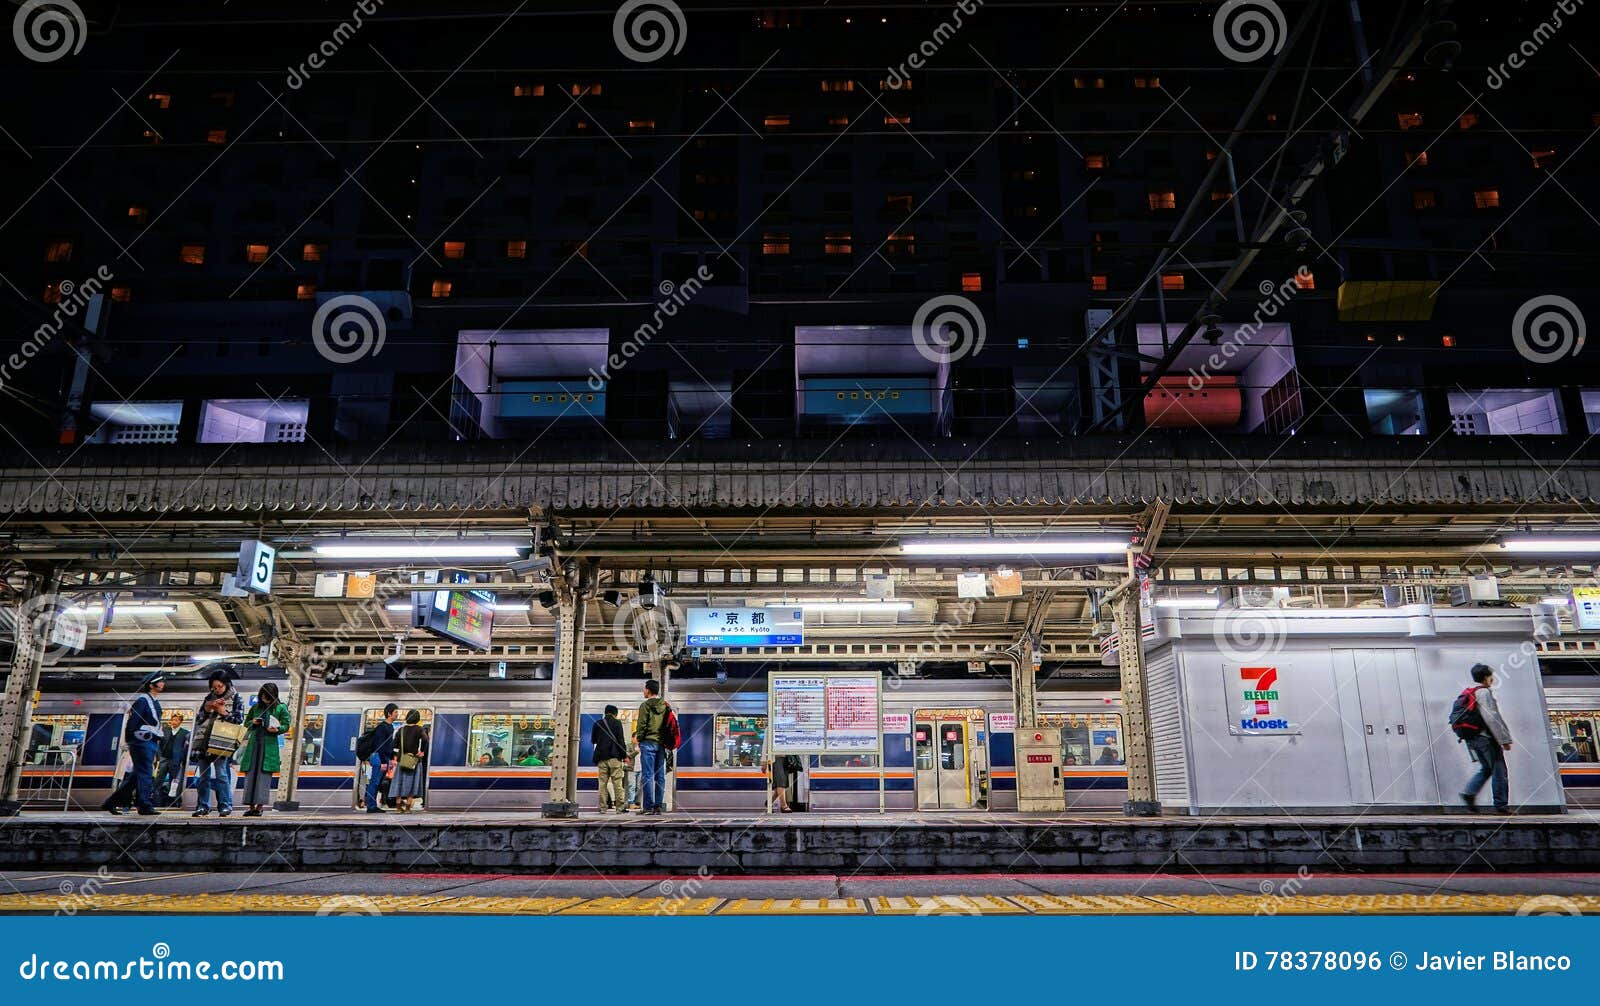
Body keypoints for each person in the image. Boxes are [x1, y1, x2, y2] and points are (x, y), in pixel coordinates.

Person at [105, 672, 166, 816]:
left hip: (150, 741)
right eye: (160, 681)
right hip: (142, 742)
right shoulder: (142, 701)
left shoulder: (154, 702)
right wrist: (131, 740)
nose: (163, 683)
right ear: (151, 685)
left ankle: (112, 802)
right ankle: (144, 805)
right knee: (145, 773)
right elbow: (133, 722)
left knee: (137, 775)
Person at [1458, 663, 1514, 813]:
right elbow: (1492, 717)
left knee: (1487, 769)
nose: (1492, 679)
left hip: (1473, 739)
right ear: (1486, 678)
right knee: (1499, 771)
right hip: (1486, 739)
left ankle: (1469, 793)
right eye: (1491, 676)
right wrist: (1504, 740)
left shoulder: (1471, 693)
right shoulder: (1484, 693)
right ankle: (1501, 805)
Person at [191, 668, 244, 818]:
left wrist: (223, 711)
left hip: (222, 740)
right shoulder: (209, 698)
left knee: (221, 775)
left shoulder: (236, 698)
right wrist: (207, 709)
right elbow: (199, 719)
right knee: (203, 776)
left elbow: (239, 720)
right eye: (214, 687)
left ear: (227, 684)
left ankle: (225, 805)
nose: (217, 690)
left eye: (220, 686)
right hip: (204, 741)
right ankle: (203, 806)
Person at [238, 683, 292, 817]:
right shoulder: (256, 707)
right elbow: (246, 723)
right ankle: (251, 807)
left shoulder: (281, 708)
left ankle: (259, 807)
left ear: (273, 696)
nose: (264, 699)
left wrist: (277, 729)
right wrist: (253, 723)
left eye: (267, 697)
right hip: (254, 746)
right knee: (250, 776)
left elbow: (286, 725)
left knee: (264, 777)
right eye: (262, 696)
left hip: (268, 747)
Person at [633, 679, 669, 815]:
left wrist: (640, 739)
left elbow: (641, 725)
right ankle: (658, 806)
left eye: (644, 688)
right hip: (661, 744)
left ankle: (648, 807)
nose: (643, 691)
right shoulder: (665, 705)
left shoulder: (645, 705)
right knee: (660, 777)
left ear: (648, 690)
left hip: (648, 743)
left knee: (647, 775)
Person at [590, 704, 629, 813]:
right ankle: (620, 808)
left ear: (605, 712)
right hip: (614, 757)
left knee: (602, 784)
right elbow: (621, 741)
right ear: (615, 714)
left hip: (601, 758)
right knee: (617, 783)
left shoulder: (597, 723)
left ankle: (603, 808)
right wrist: (624, 755)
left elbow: (593, 740)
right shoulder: (617, 723)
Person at [389, 710, 429, 812]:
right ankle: (408, 806)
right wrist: (422, 751)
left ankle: (398, 806)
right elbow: (425, 739)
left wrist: (395, 757)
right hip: (413, 761)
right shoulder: (419, 729)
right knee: (412, 783)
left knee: (399, 783)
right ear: (417, 719)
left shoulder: (401, 730)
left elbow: (394, 745)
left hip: (401, 760)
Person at [365, 703, 400, 813]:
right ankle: (370, 806)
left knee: (378, 782)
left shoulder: (390, 727)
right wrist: (384, 762)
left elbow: (388, 745)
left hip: (384, 757)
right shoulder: (382, 727)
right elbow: (380, 745)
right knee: (374, 782)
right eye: (395, 712)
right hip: (379, 757)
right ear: (389, 714)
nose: (397, 714)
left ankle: (373, 805)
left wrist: (392, 758)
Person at [154, 713, 190, 807]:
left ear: (180, 722)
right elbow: (159, 744)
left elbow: (185, 748)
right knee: (158, 780)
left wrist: (181, 758)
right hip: (164, 759)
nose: (174, 722)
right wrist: (159, 757)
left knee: (174, 782)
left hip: (176, 761)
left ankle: (174, 802)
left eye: (176, 720)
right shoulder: (165, 730)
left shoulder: (185, 733)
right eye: (173, 720)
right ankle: (156, 801)